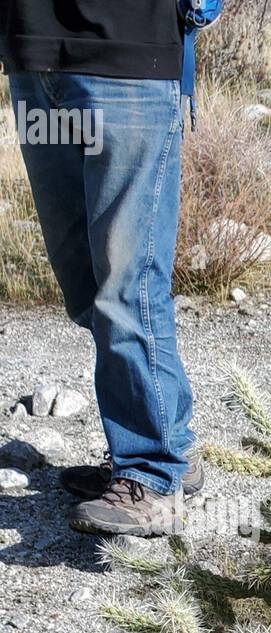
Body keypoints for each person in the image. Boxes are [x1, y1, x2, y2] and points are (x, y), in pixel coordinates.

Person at [0, 0, 204, 537]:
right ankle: (171, 443)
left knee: (127, 286)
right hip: (35, 62)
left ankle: (153, 473)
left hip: (128, 63)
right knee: (85, 286)